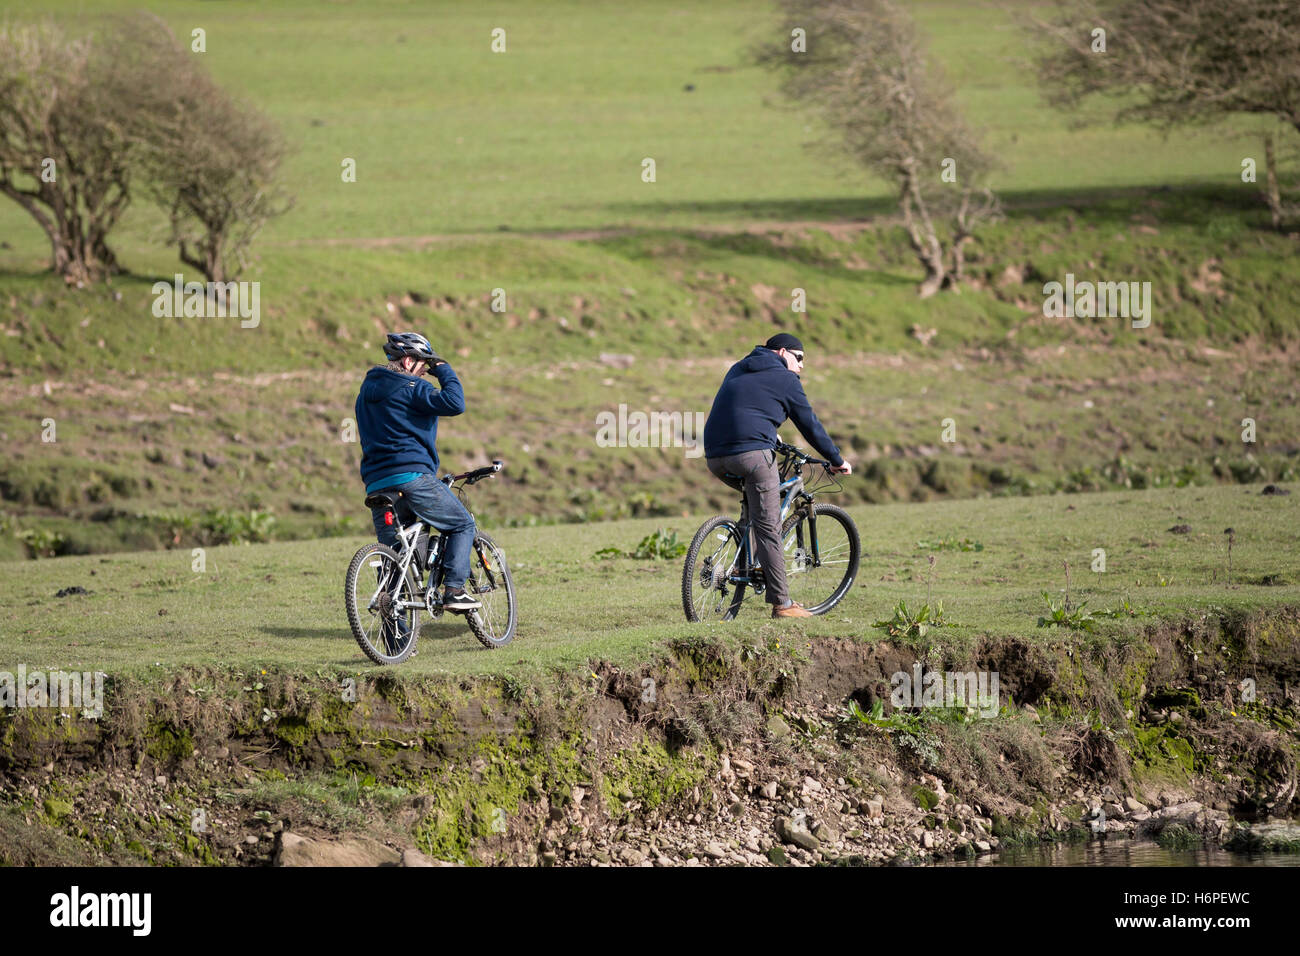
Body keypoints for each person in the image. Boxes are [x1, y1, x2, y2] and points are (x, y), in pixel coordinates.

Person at [703, 333, 852, 618]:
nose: (801, 366)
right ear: (782, 352)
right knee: (769, 524)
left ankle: (744, 565)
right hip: (752, 454)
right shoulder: (786, 380)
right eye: (799, 359)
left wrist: (770, 433)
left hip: (715, 455)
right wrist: (836, 459)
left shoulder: (739, 367)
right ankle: (782, 604)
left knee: (756, 504)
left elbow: (742, 408)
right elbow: (810, 424)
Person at [354, 331, 480, 612]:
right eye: (424, 363)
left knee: (393, 561)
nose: (426, 370)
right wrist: (443, 368)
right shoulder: (412, 387)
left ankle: (393, 646)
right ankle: (455, 591)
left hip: (376, 484)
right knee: (462, 524)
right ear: (408, 360)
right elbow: (455, 403)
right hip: (412, 478)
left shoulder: (365, 394)